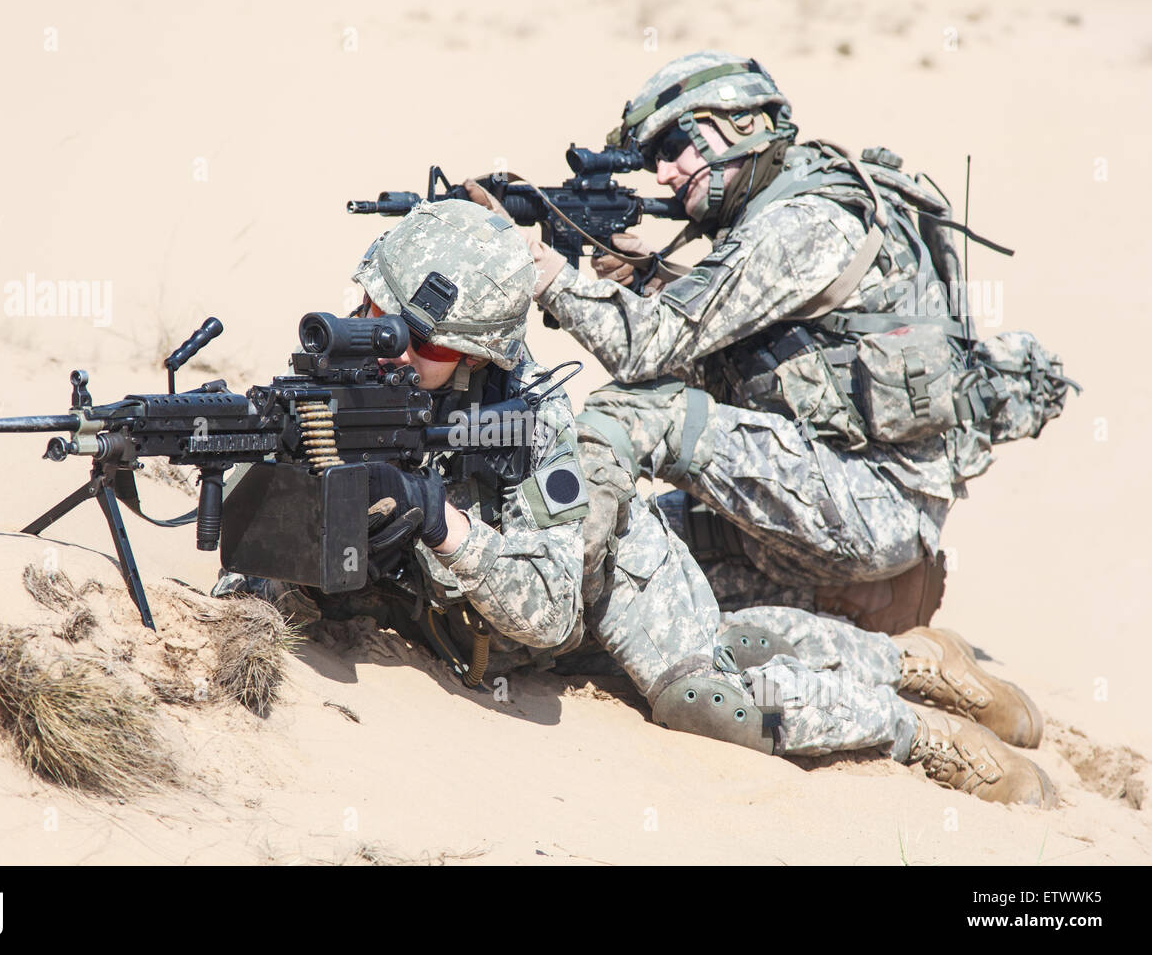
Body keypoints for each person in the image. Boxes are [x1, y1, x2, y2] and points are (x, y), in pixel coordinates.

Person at [215, 197, 1055, 805]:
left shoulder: (532, 424)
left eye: (424, 341)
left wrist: (438, 519)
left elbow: (545, 612)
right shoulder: (345, 394)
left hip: (607, 573)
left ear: (475, 353)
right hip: (491, 635)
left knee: (708, 699)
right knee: (746, 642)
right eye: (371, 314)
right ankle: (904, 656)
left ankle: (916, 725)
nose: (388, 346)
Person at [490, 51, 1076, 635]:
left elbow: (646, 349)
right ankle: (875, 627)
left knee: (640, 412)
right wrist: (648, 280)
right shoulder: (799, 199)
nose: (663, 174)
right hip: (836, 490)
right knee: (637, 561)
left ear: (740, 124)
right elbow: (747, 353)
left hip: (871, 503)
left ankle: (538, 596)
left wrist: (543, 274)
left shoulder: (801, 222)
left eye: (672, 149)